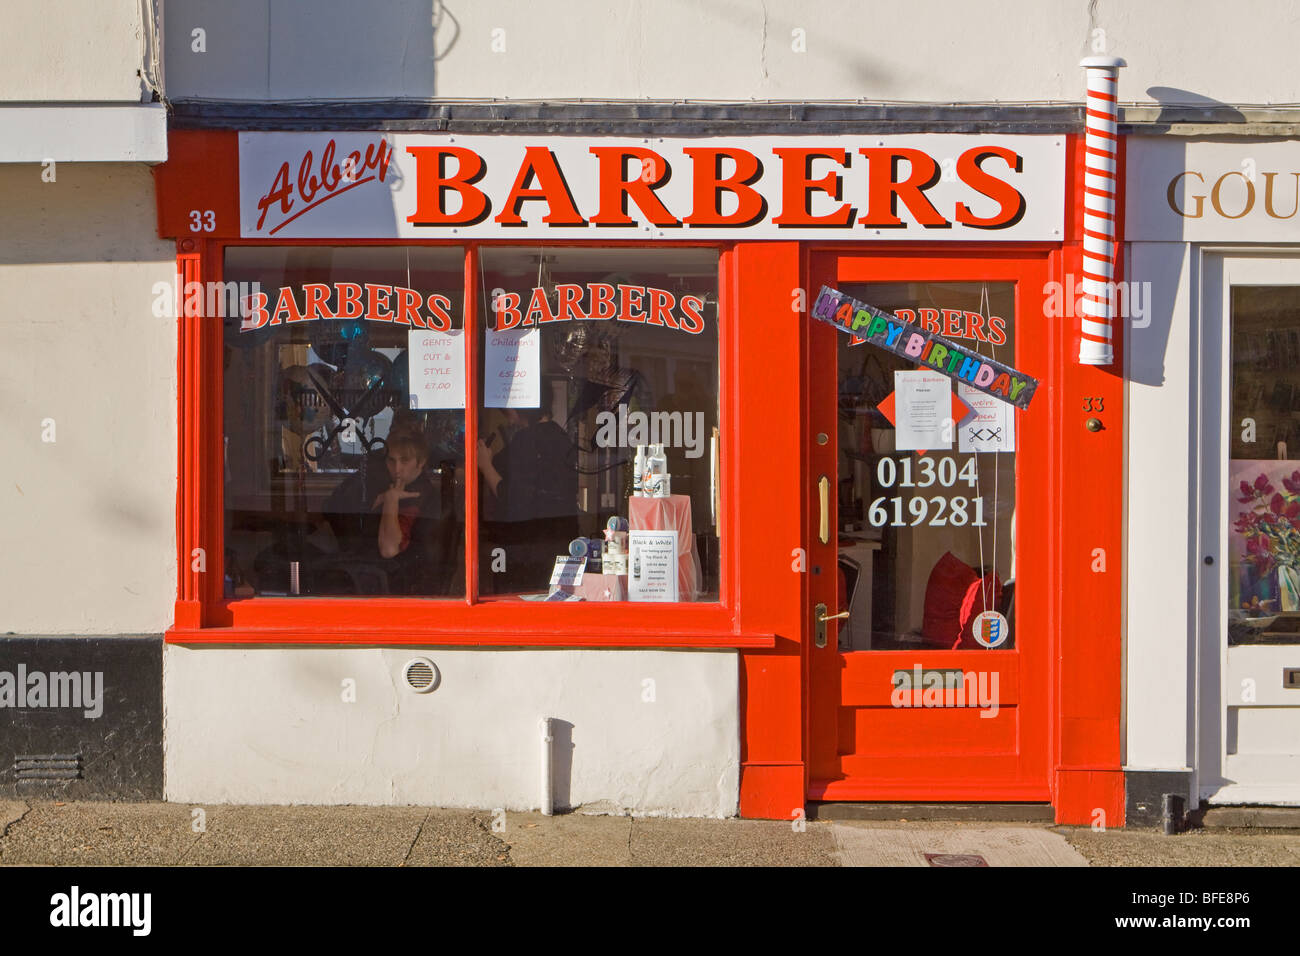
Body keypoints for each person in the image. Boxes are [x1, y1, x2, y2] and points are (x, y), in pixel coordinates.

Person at [477, 380, 579, 592]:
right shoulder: (562, 438)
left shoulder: (525, 440)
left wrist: (485, 465)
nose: (508, 414)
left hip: (529, 548)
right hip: (561, 542)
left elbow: (510, 496)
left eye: (509, 407)